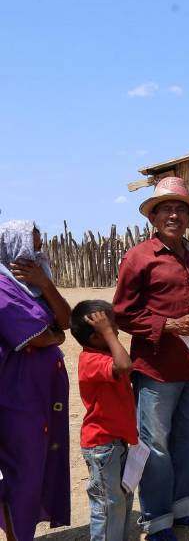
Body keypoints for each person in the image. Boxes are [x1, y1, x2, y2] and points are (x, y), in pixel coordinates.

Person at [112, 177, 189, 540]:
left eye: (181, 209)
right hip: (156, 366)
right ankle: (157, 518)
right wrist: (169, 324)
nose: (174, 214)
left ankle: (184, 506)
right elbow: (123, 313)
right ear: (153, 217)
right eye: (166, 209)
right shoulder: (139, 257)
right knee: (154, 443)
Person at [0, 220, 71, 541]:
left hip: (43, 390)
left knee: (41, 461)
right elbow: (40, 336)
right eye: (32, 248)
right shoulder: (1, 286)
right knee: (23, 468)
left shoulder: (36, 285)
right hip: (16, 391)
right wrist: (54, 336)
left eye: (40, 248)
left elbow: (66, 321)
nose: (38, 255)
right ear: (13, 249)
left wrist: (46, 285)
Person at [71, 301, 137, 541]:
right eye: (111, 326)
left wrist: (108, 333)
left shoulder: (104, 353)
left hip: (115, 442)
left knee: (120, 498)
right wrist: (110, 334)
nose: (116, 329)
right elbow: (124, 365)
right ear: (96, 337)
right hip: (101, 444)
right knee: (107, 505)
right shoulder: (90, 359)